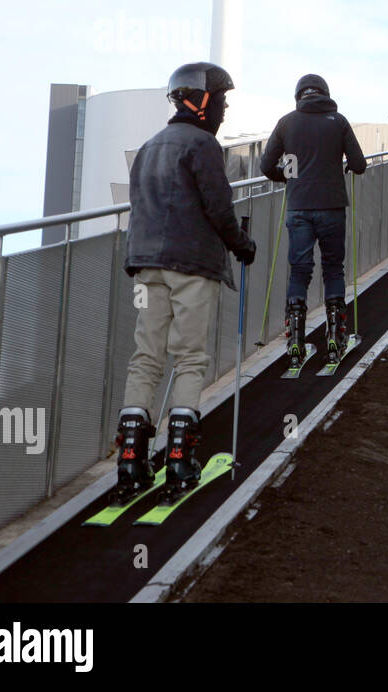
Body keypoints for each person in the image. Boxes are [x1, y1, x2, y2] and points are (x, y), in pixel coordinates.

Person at [113, 62, 256, 505]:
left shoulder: (149, 146)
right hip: (190, 263)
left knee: (147, 357)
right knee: (191, 357)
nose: (225, 109)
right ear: (201, 100)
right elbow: (218, 206)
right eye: (222, 100)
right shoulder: (203, 146)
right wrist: (241, 245)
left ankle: (132, 457)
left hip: (145, 263)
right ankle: (180, 457)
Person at [260, 74, 367, 364]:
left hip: (298, 207)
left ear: (299, 96)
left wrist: (288, 177)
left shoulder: (287, 122)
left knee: (299, 272)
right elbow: (359, 165)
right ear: (325, 93)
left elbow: (265, 164)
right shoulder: (339, 121)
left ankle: (295, 341)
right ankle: (336, 337)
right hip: (332, 206)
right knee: (333, 268)